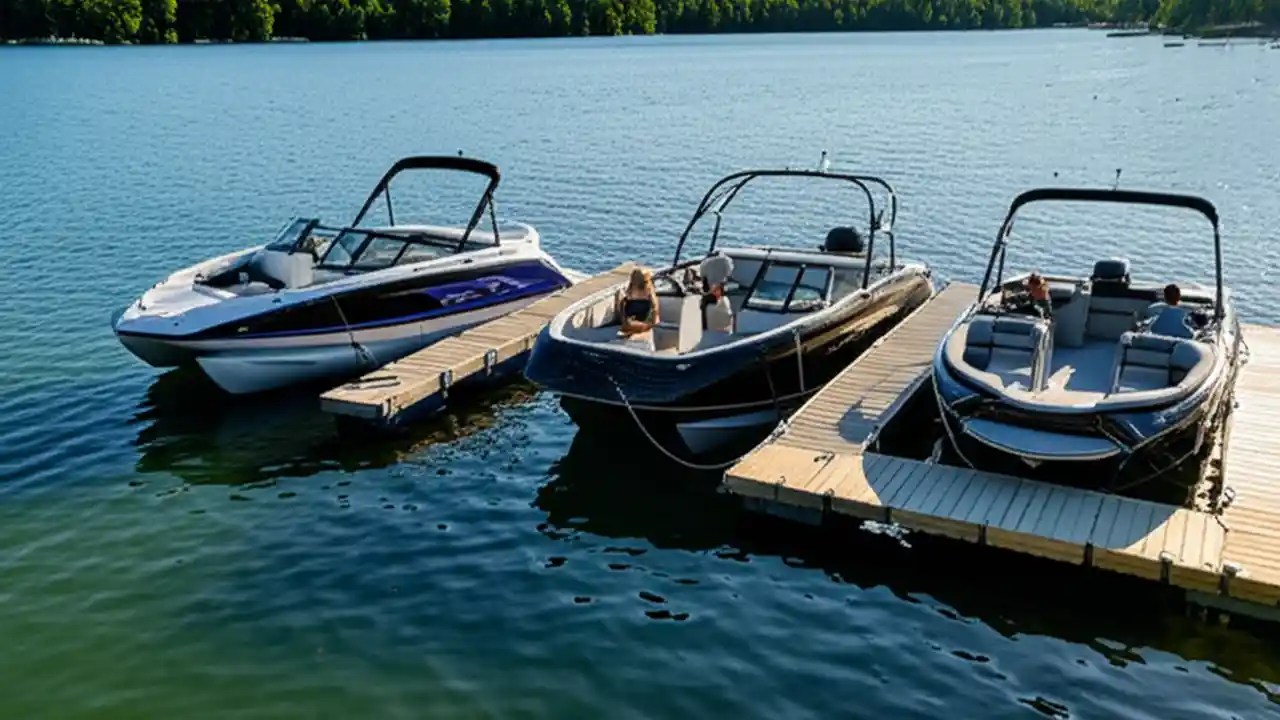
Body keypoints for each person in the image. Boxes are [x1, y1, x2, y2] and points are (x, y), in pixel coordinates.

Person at [617, 268, 659, 340]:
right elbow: (655, 306)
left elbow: (655, 306)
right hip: (636, 319)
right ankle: (635, 330)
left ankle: (634, 330)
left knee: (629, 324)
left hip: (637, 320)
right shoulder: (646, 289)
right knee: (629, 324)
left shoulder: (643, 289)